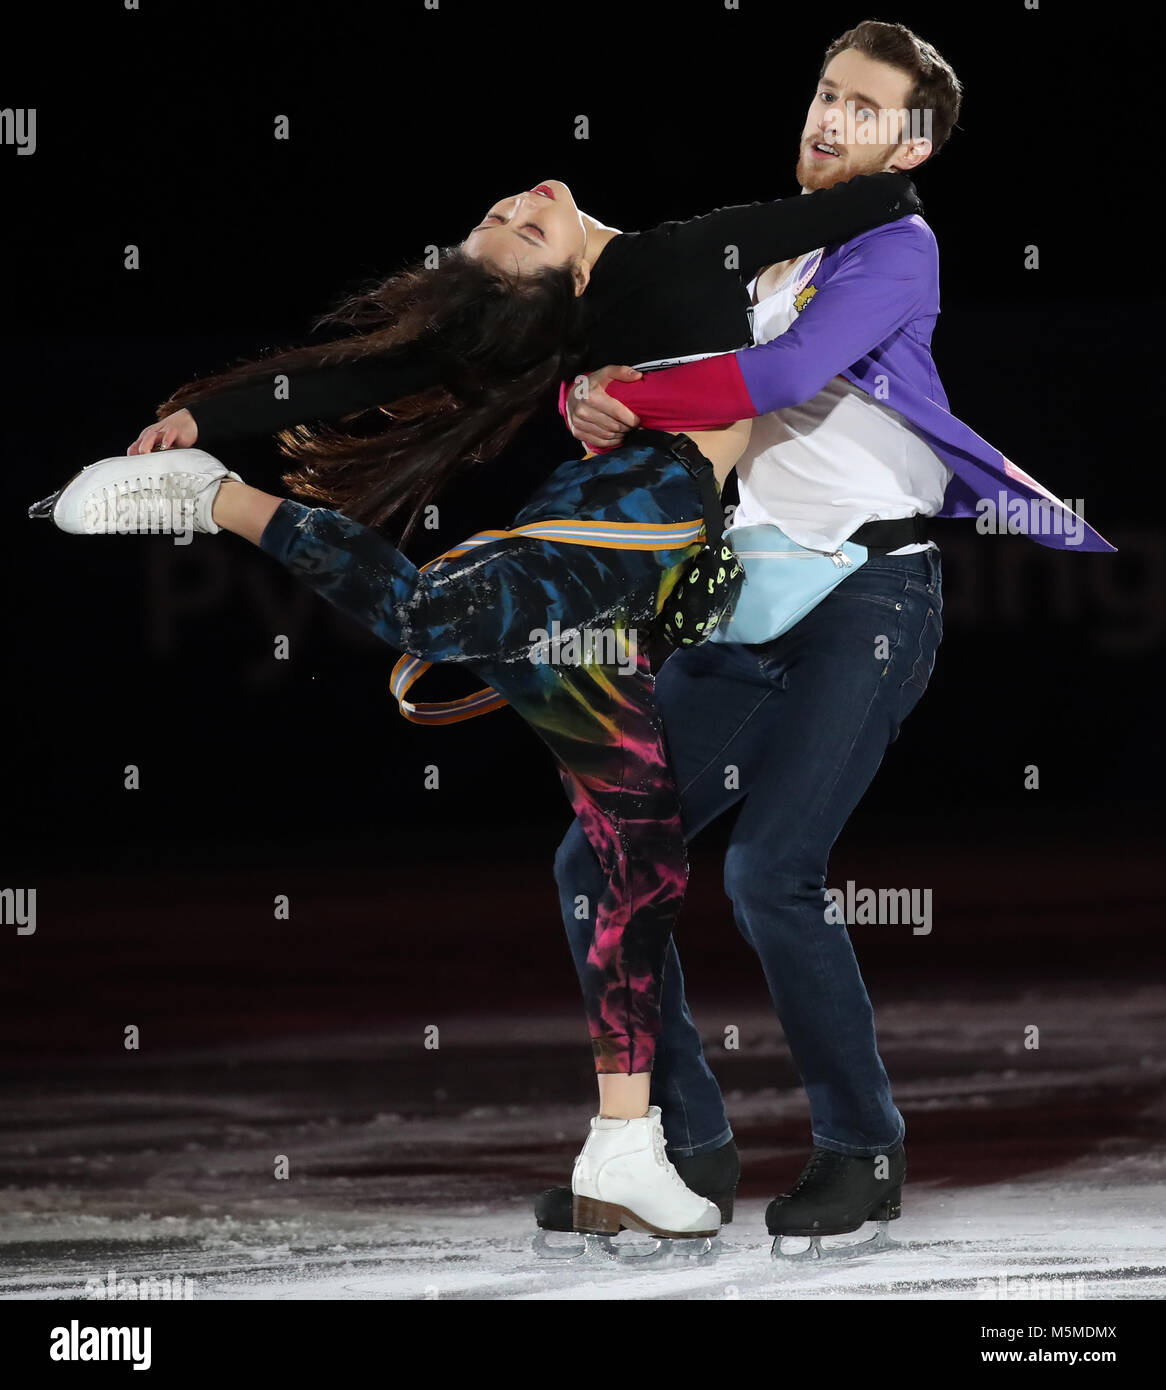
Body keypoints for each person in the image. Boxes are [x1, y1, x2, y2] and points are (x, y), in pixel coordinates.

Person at [31, 170, 920, 1247]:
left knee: (631, 852)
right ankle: (211, 495)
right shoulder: (554, 326)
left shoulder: (682, 253)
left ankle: (633, 1147)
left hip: (682, 560)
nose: (508, 209)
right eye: (500, 230)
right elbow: (354, 371)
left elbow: (863, 208)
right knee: (439, 620)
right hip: (618, 530)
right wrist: (197, 419)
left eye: (506, 217)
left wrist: (881, 140)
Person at [547, 19, 1112, 1258]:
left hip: (871, 596)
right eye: (823, 92)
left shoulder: (898, 247)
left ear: (905, 142)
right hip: (751, 596)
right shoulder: (753, 249)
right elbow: (640, 353)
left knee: (765, 871)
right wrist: (584, 396)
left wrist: (633, 393)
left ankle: (861, 1148)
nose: (827, 117)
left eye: (861, 107)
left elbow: (780, 371)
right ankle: (675, 1146)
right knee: (594, 866)